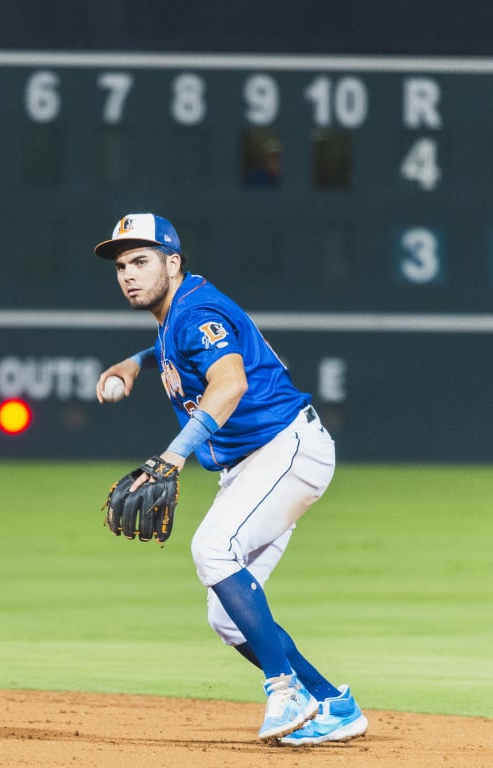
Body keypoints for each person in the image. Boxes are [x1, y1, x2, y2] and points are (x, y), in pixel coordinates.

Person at [93, 213, 368, 746]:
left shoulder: (199, 311)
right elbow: (175, 351)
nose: (128, 274)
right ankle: (334, 704)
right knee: (228, 617)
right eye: (122, 265)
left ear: (172, 263)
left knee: (212, 548)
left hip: (284, 450)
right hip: (254, 464)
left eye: (141, 261)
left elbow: (229, 383)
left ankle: (282, 689)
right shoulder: (178, 313)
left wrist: (173, 457)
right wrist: (134, 362)